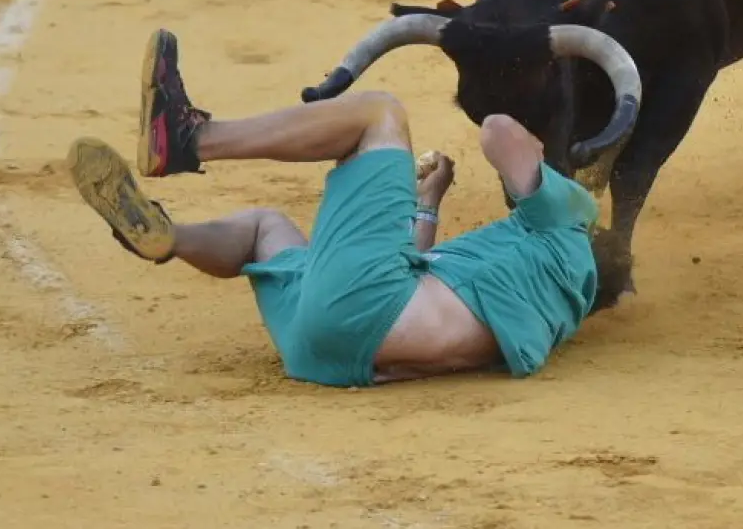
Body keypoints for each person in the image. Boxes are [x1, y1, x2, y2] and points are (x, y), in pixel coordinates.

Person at [62, 28, 607, 387]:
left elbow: (498, 134)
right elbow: (417, 276)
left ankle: (191, 140)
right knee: (265, 228)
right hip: (321, 352)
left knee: (379, 116)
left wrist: (539, 147)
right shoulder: (538, 293)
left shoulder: (567, 224)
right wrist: (428, 205)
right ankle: (166, 235)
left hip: (366, 315)